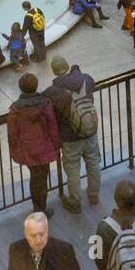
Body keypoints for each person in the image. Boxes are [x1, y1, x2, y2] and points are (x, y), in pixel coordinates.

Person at [46, 56, 101, 213]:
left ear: (54, 71)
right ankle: (94, 194)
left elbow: (43, 99)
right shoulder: (86, 79)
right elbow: (91, 84)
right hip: (90, 130)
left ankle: (75, 201)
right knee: (93, 162)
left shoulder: (53, 91)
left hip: (69, 137)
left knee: (73, 169)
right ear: (68, 66)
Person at [7, 72, 59, 217]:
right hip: (44, 147)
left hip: (27, 150)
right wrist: (55, 146)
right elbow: (53, 127)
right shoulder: (45, 104)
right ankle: (41, 208)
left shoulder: (15, 110)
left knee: (35, 177)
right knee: (41, 179)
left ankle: (38, 207)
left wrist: (13, 151)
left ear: (21, 89)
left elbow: (12, 134)